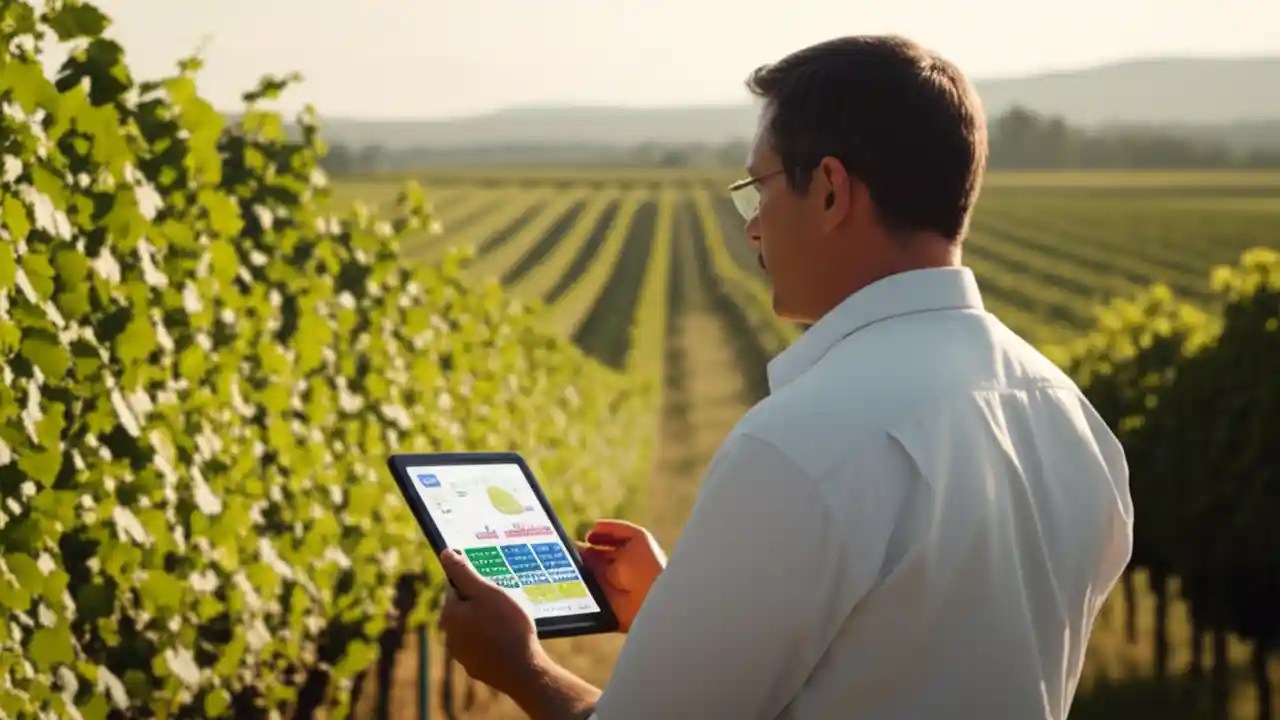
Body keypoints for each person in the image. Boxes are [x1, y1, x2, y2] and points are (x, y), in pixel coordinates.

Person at [436, 34, 1134, 719]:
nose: (753, 227)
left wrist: (520, 666)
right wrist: (683, 613)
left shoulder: (803, 446)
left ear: (830, 191)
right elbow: (911, 652)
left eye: (757, 188)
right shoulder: (1068, 416)